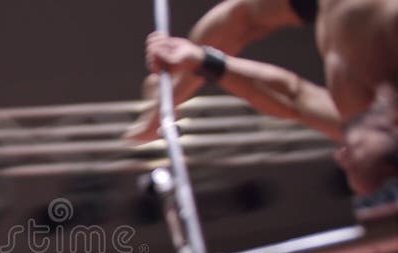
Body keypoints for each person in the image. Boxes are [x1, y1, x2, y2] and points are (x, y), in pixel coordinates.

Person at [132, 0, 398, 194]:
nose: (340, 157)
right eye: (354, 165)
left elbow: (293, 96)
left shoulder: (352, 121)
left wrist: (200, 63)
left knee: (243, 18)